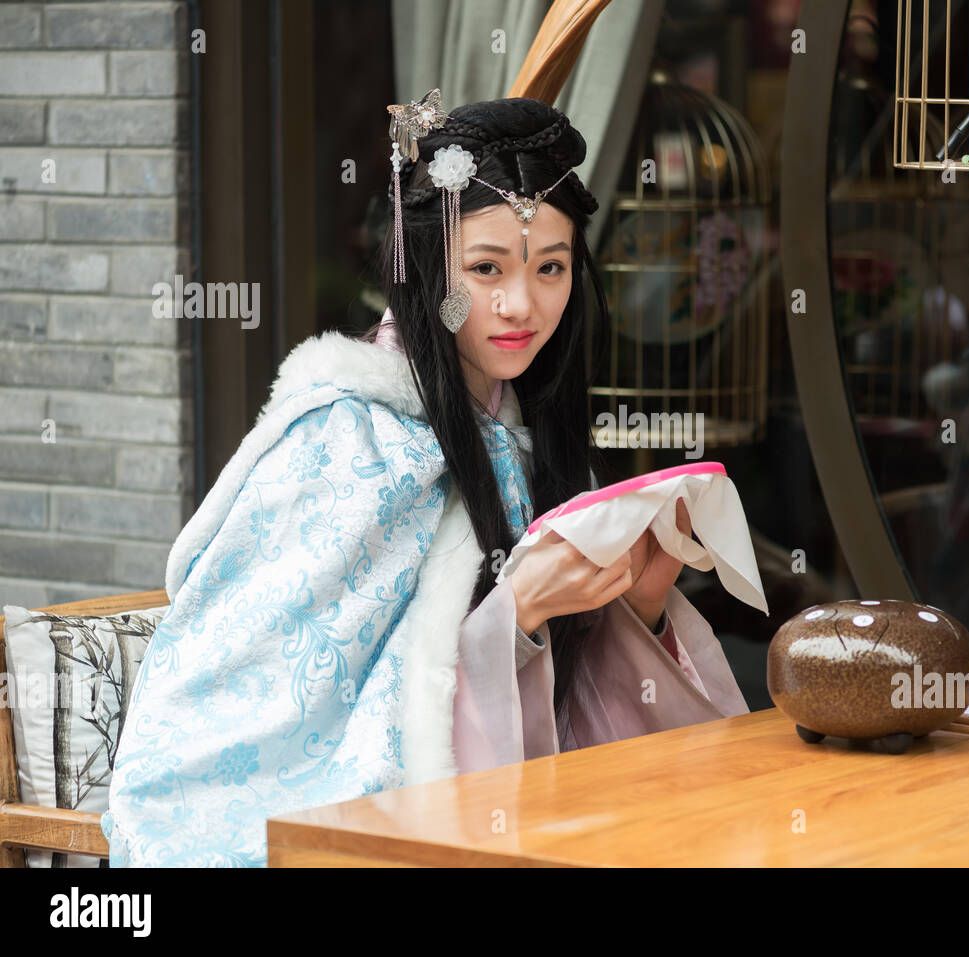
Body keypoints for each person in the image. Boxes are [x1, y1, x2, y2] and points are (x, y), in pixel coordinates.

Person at [101, 94, 750, 867]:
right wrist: (519, 614)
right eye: (485, 269)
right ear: (423, 269)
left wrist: (637, 605)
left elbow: (580, 728)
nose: (522, 304)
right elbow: (274, 727)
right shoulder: (345, 443)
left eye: (551, 267)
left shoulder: (529, 435)